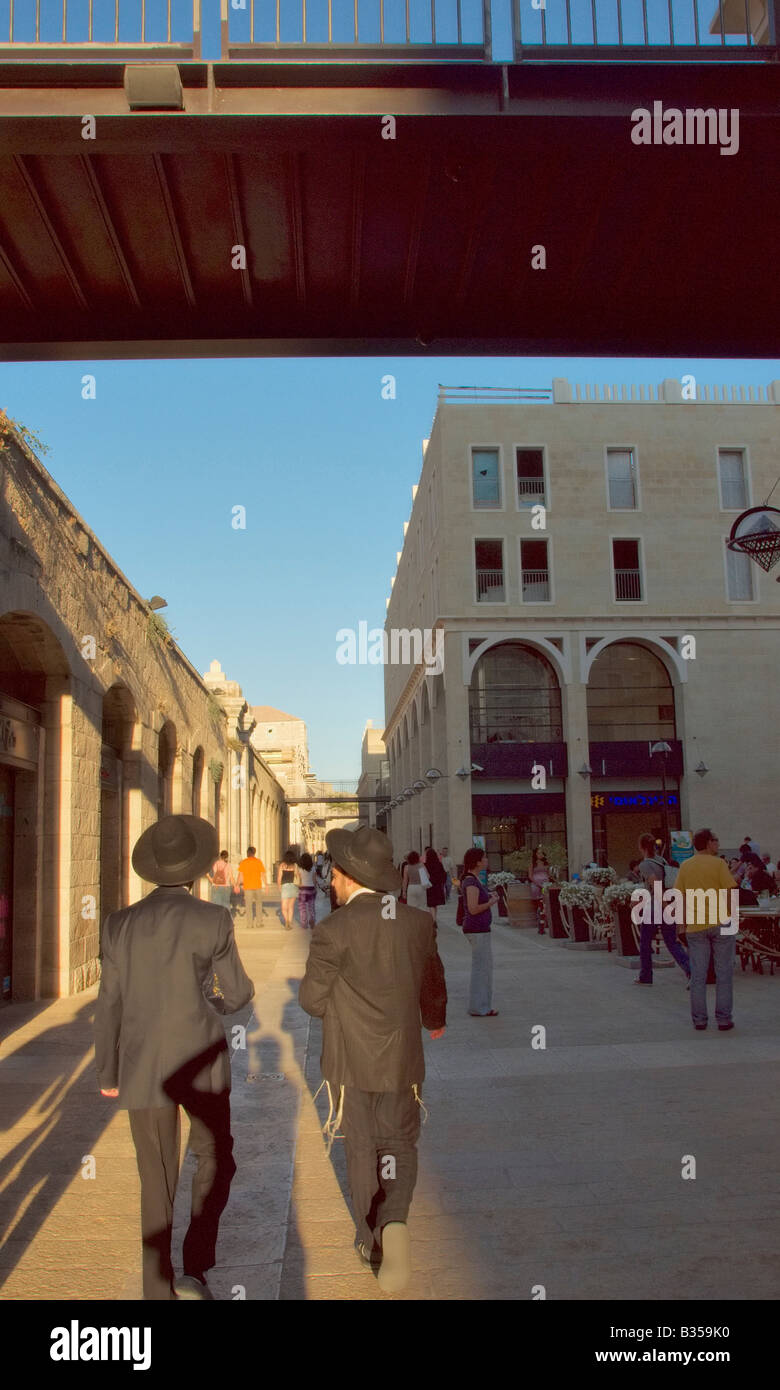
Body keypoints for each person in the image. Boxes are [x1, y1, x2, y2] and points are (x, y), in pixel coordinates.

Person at [94, 814, 254, 1301]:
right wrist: (214, 1005)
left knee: (154, 1174)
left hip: (142, 1063)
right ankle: (196, 1265)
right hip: (201, 1057)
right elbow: (241, 992)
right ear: (195, 871)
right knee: (215, 1157)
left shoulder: (118, 924)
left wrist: (108, 1071)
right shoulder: (213, 918)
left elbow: (110, 1004)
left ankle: (156, 1289)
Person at [299, 826, 446, 1294]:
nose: (331, 885)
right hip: (403, 1059)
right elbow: (432, 982)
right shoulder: (418, 923)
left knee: (361, 1149)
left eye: (334, 878)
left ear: (343, 877)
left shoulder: (333, 930)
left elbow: (310, 1000)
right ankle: (395, 1219)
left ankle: (373, 1240)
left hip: (351, 1064)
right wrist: (433, 1019)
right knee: (400, 1143)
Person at [674, 828, 737, 1031]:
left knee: (698, 975)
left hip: (696, 925)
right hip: (720, 922)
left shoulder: (685, 866)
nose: (717, 844)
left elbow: (680, 898)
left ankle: (700, 1020)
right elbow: (729, 892)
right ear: (708, 843)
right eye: (716, 841)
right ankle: (724, 1019)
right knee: (724, 972)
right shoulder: (719, 864)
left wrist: (681, 924)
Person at [634, 831, 690, 987]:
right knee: (672, 942)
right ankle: (691, 970)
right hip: (668, 902)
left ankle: (646, 976)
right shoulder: (662, 860)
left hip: (654, 907)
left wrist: (665, 907)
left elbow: (655, 887)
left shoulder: (645, 864)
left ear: (641, 847)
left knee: (645, 943)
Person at [460, 846, 500, 1017]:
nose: (486, 860)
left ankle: (483, 1005)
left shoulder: (474, 879)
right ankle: (479, 1006)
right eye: (484, 858)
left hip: (481, 929)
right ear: (477, 862)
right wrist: (491, 903)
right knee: (481, 969)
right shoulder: (471, 881)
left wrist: (488, 896)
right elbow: (473, 908)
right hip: (477, 929)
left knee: (484, 968)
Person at [237, 846, 266, 928]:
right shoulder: (258, 862)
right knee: (259, 905)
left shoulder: (244, 862)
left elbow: (240, 875)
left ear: (248, 853)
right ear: (254, 853)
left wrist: (237, 884)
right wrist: (266, 884)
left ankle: (249, 924)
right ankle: (259, 923)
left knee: (248, 906)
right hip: (257, 886)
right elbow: (262, 874)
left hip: (248, 887)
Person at [277, 847, 300, 930]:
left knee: (284, 907)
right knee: (291, 906)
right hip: (293, 887)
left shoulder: (282, 865)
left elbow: (279, 878)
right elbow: (297, 876)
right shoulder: (295, 866)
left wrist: (279, 887)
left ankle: (286, 921)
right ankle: (289, 922)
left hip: (285, 887)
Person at [529, 846, 551, 933]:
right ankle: (540, 924)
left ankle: (545, 923)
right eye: (538, 853)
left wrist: (547, 882)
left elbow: (549, 874)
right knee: (540, 905)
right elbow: (530, 876)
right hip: (536, 885)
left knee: (545, 904)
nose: (540, 855)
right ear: (535, 854)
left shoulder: (546, 863)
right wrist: (538, 884)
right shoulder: (532, 863)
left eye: (541, 853)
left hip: (545, 885)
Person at [423, 847, 447, 923]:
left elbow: (423, 876)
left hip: (429, 886)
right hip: (437, 886)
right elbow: (444, 874)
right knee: (435, 904)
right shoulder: (439, 864)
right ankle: (434, 918)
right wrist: (442, 882)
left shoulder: (425, 865)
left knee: (431, 904)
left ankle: (433, 920)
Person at [297, 851, 318, 929]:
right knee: (311, 907)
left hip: (302, 889)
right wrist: (315, 889)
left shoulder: (299, 869)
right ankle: (312, 921)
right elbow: (314, 880)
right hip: (311, 889)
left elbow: (299, 881)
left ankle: (304, 923)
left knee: (302, 908)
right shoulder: (313, 868)